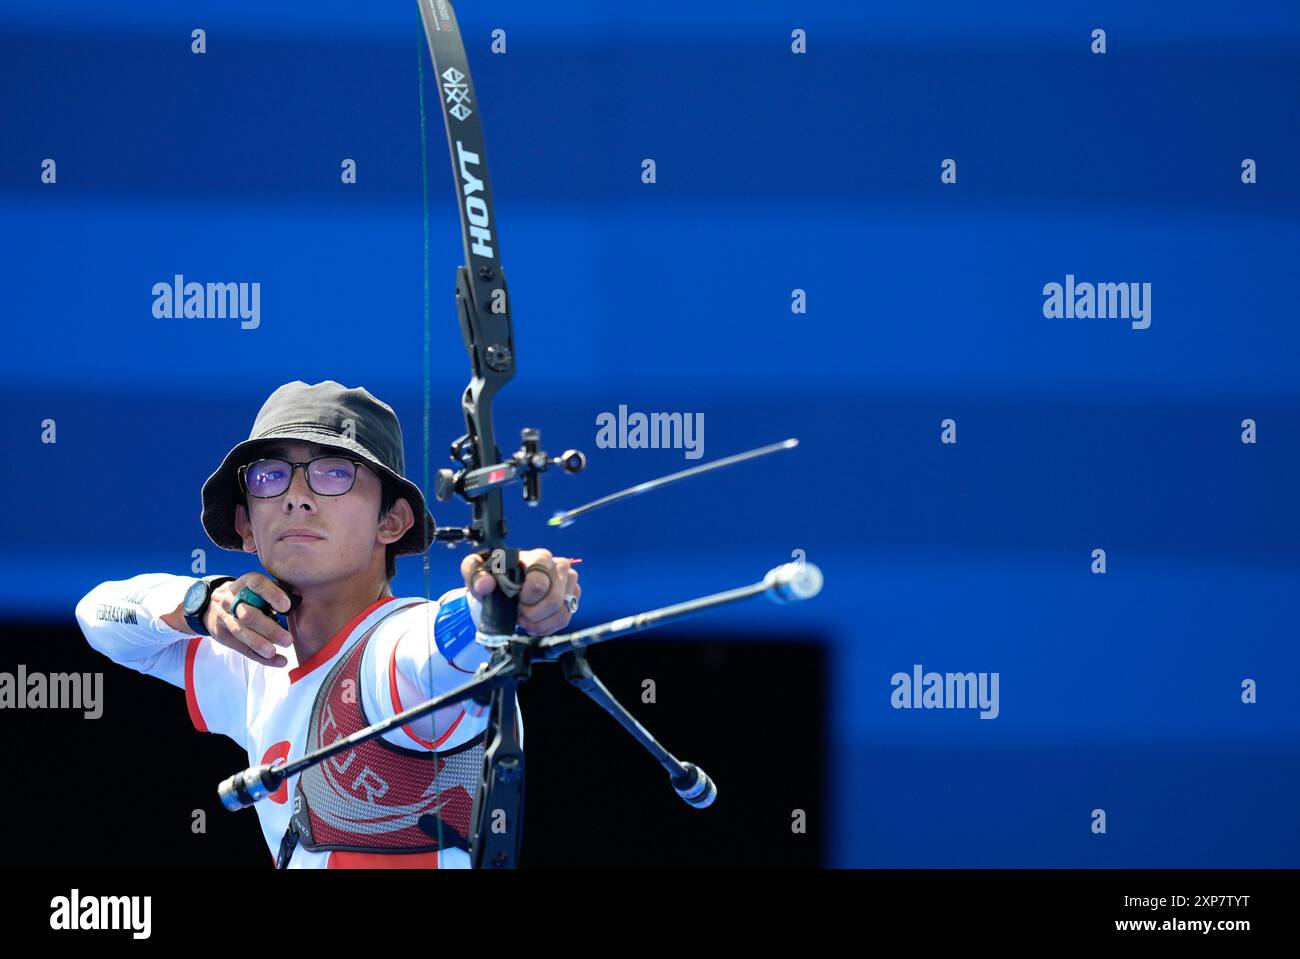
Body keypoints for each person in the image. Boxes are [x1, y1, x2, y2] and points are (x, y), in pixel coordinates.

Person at [74, 380, 580, 868]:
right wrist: (201, 603)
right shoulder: (257, 657)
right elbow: (98, 616)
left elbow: (441, 644)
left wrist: (506, 598)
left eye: (335, 472)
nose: (296, 496)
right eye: (270, 476)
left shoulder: (397, 651)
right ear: (247, 525)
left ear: (392, 521)